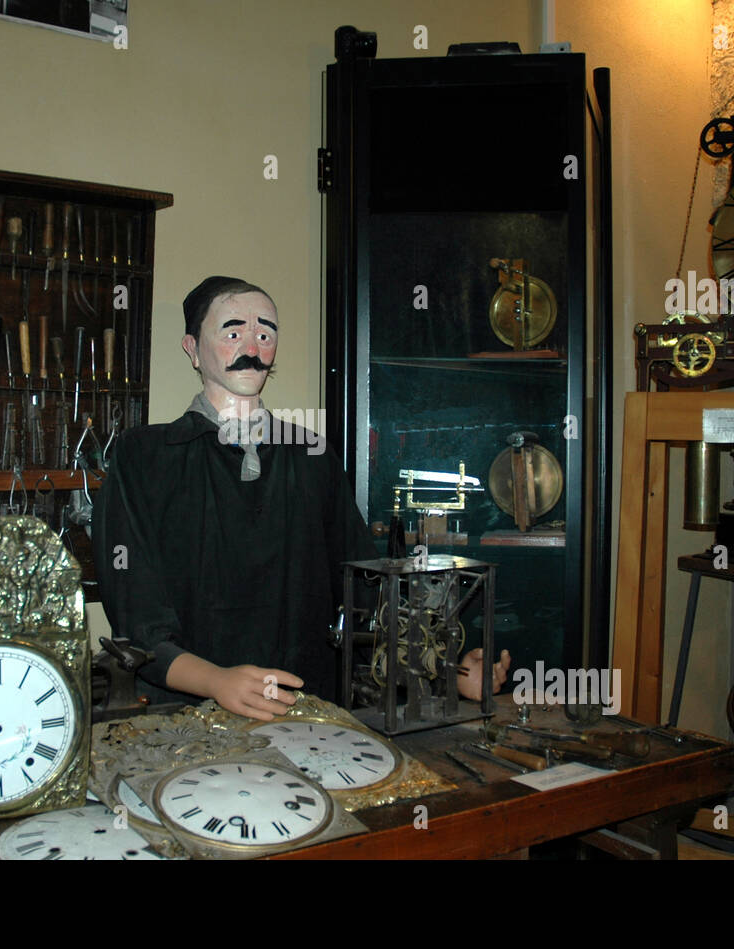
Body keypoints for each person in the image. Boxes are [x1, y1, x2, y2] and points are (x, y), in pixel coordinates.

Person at [92, 275, 508, 721]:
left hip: (307, 712)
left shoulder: (311, 456)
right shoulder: (145, 458)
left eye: (265, 334)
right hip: (188, 720)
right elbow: (136, 612)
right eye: (233, 333)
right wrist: (215, 681)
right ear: (192, 349)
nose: (251, 347)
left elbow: (365, 591)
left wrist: (444, 667)